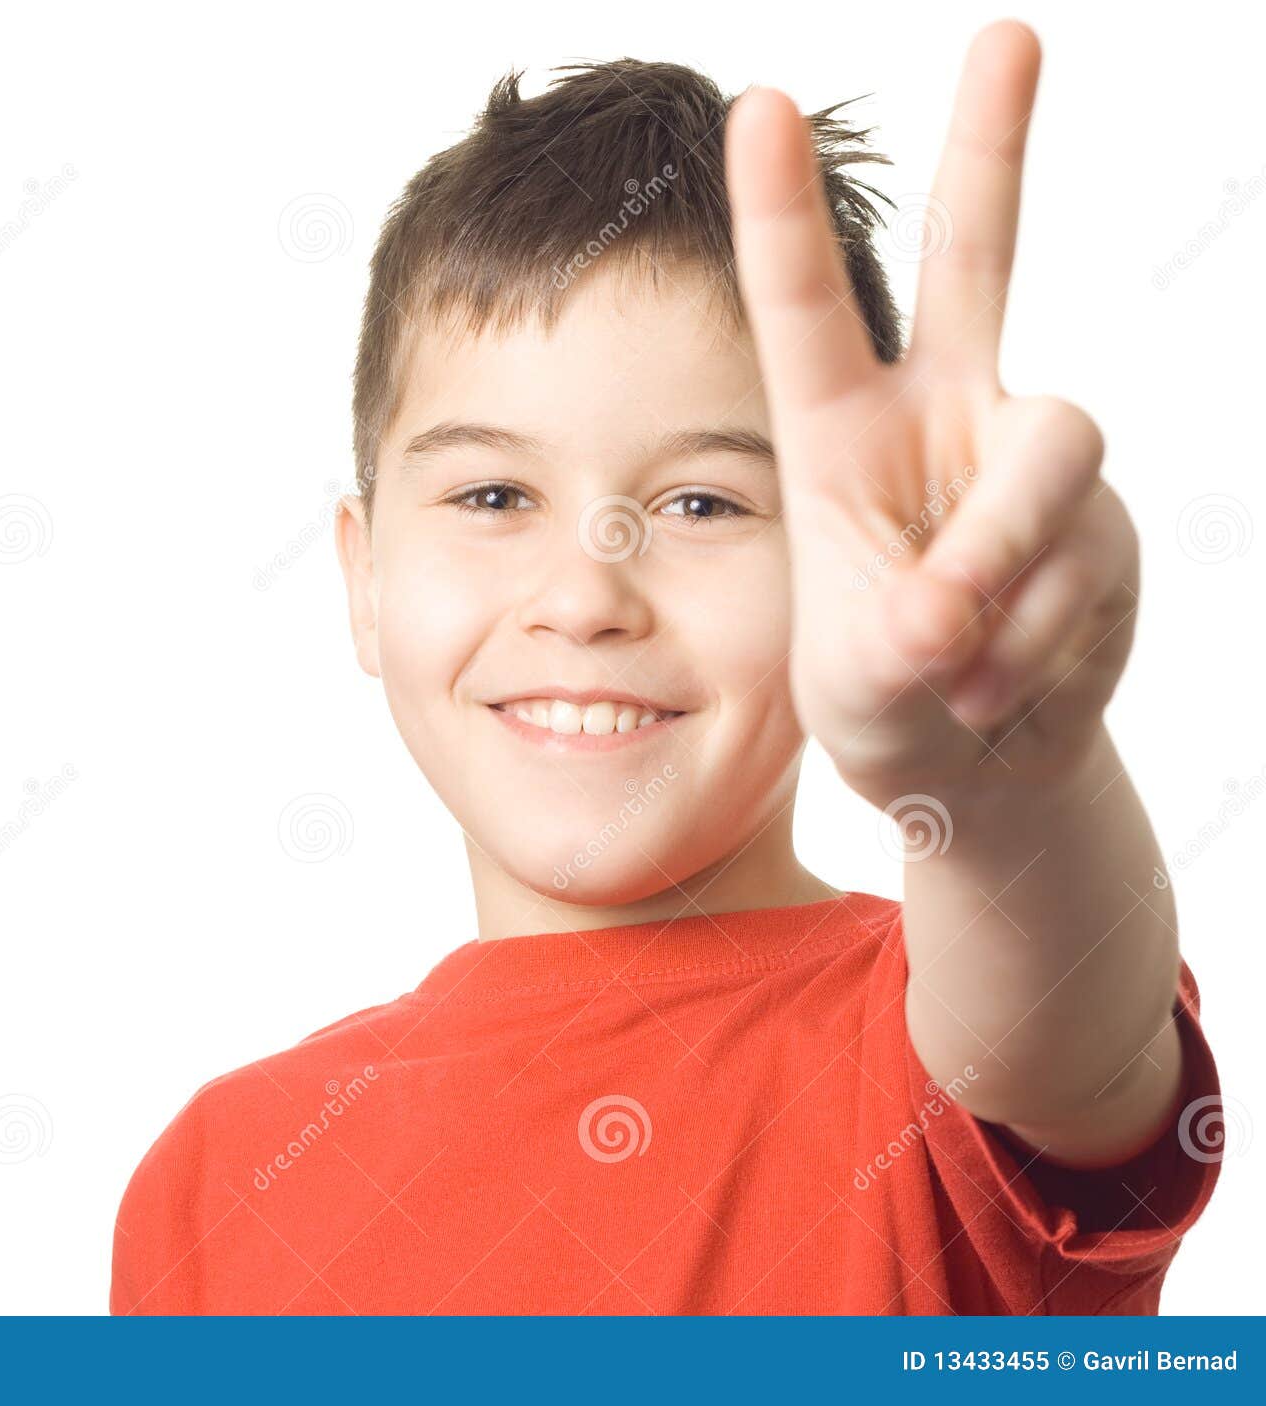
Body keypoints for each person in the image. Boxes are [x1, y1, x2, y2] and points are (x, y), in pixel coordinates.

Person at [111, 21, 1224, 1315]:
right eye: (491, 492)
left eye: (702, 505)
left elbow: (1069, 1039)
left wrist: (1010, 781)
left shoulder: (938, 1034)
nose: (586, 595)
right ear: (364, 577)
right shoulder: (216, 1177)